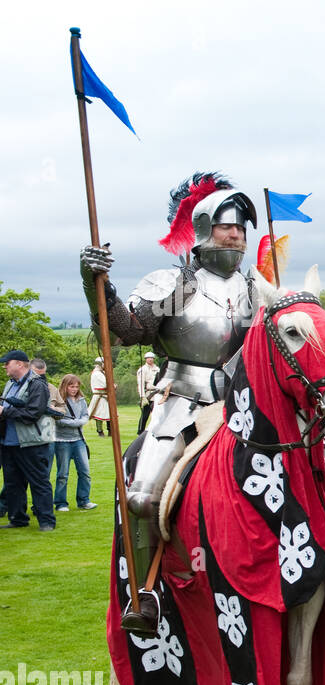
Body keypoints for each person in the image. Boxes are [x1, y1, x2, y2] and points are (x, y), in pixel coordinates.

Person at [79, 172, 257, 633]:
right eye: (226, 226)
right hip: (184, 403)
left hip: (243, 403)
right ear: (202, 231)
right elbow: (129, 331)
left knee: (319, 469)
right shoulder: (179, 284)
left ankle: (311, 568)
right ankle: (145, 594)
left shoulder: (255, 288)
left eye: (240, 227)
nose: (235, 234)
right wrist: (97, 285)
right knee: (141, 495)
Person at [0, 349, 56, 531]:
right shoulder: (10, 384)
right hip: (9, 443)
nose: (4, 366)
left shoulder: (37, 385)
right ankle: (18, 519)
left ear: (19, 364)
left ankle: (46, 521)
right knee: (12, 483)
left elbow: (33, 414)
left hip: (32, 443)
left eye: (7, 363)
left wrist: (4, 412)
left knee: (39, 482)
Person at [52, 374, 95, 513]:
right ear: (65, 386)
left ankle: (84, 500)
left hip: (78, 440)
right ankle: (60, 503)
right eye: (72, 386)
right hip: (62, 441)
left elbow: (85, 416)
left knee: (85, 472)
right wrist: (75, 422)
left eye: (77, 386)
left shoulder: (81, 400)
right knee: (63, 474)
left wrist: (77, 422)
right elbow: (57, 419)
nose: (75, 389)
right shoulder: (58, 401)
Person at [136, 352, 160, 434]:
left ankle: (154, 431)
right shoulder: (143, 370)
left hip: (156, 394)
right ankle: (140, 431)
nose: (150, 359)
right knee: (145, 415)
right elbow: (141, 384)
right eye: (148, 358)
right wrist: (142, 396)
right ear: (146, 359)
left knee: (156, 414)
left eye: (152, 358)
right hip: (147, 395)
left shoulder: (157, 369)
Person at [87, 356, 110, 437]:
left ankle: (110, 431)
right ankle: (100, 431)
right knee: (99, 415)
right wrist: (112, 385)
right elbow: (105, 384)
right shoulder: (97, 373)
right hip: (100, 396)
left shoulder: (101, 372)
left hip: (105, 396)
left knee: (109, 414)